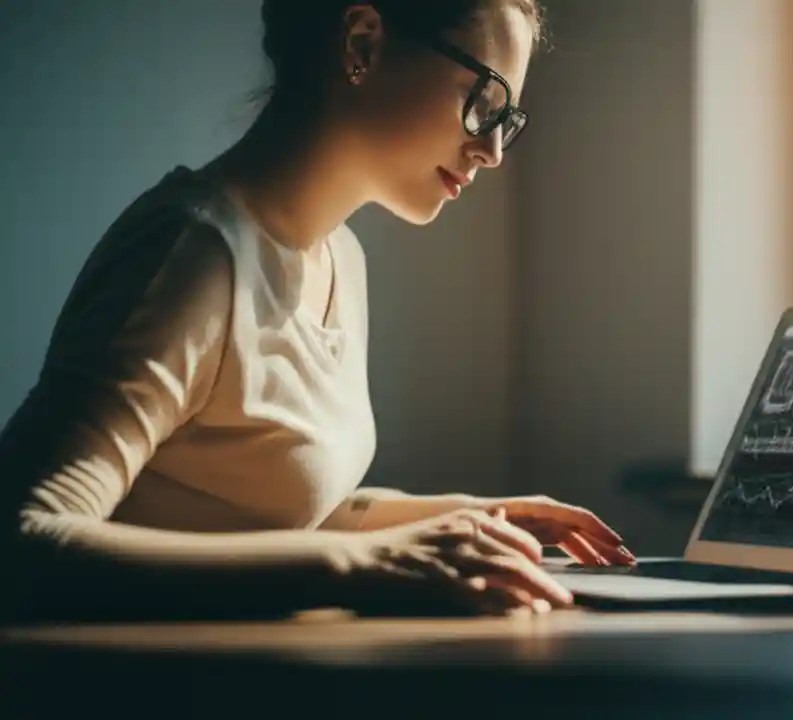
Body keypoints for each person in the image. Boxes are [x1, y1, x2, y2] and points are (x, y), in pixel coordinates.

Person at [0, 0, 635, 622]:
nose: (493, 150)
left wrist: (476, 517)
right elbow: (23, 538)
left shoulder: (340, 259)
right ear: (362, 43)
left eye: (508, 119)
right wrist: (358, 566)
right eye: (485, 102)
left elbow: (275, 511)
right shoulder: (193, 253)